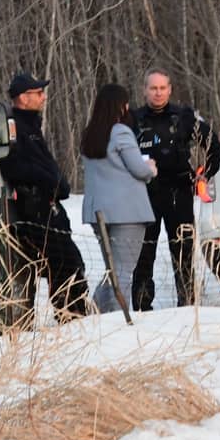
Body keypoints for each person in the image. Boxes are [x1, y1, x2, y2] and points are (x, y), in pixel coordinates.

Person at [130, 68, 220, 310]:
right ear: (144, 90)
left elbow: (216, 146)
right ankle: (141, 307)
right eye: (153, 88)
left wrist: (203, 174)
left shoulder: (184, 117)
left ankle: (188, 304)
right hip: (144, 196)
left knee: (182, 253)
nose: (158, 93)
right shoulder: (133, 119)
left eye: (163, 88)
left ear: (170, 90)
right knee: (143, 255)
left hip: (179, 194)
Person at [0, 72, 88, 320]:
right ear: (23, 98)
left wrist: (58, 182)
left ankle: (74, 313)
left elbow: (41, 163)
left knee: (71, 262)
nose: (44, 97)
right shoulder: (13, 126)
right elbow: (14, 166)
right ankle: (70, 315)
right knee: (63, 261)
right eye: (38, 93)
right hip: (33, 210)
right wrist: (50, 181)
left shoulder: (33, 125)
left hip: (49, 207)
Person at [79, 84, 158, 313]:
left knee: (112, 271)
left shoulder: (90, 134)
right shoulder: (121, 132)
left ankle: (95, 313)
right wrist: (150, 167)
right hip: (127, 212)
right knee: (123, 272)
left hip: (98, 211)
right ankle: (117, 320)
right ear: (121, 106)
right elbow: (139, 170)